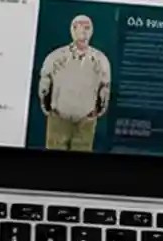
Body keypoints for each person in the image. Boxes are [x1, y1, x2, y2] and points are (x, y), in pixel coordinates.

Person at [38, 14, 112, 152]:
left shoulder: (100, 60)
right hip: (59, 116)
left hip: (85, 119)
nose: (82, 31)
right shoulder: (56, 57)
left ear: (92, 30)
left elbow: (105, 87)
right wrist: (47, 107)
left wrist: (98, 110)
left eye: (86, 28)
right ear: (72, 29)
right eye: (77, 27)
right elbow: (44, 82)